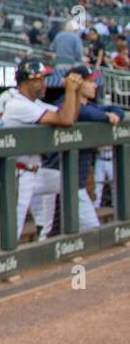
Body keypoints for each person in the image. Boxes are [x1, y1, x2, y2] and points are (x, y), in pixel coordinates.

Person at [0, 59, 83, 247]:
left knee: (68, 182)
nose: (44, 84)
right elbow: (65, 119)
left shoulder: (34, 104)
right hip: (14, 175)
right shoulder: (18, 105)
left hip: (33, 172)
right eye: (39, 79)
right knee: (10, 227)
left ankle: (50, 235)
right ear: (26, 81)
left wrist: (75, 92)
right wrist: (69, 90)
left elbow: (70, 116)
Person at [50, 65, 122, 232]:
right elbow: (86, 114)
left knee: (55, 229)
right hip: (56, 177)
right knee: (88, 229)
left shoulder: (91, 105)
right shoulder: (64, 105)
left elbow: (116, 110)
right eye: (90, 82)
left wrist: (112, 114)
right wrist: (105, 116)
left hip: (71, 181)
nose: (95, 85)